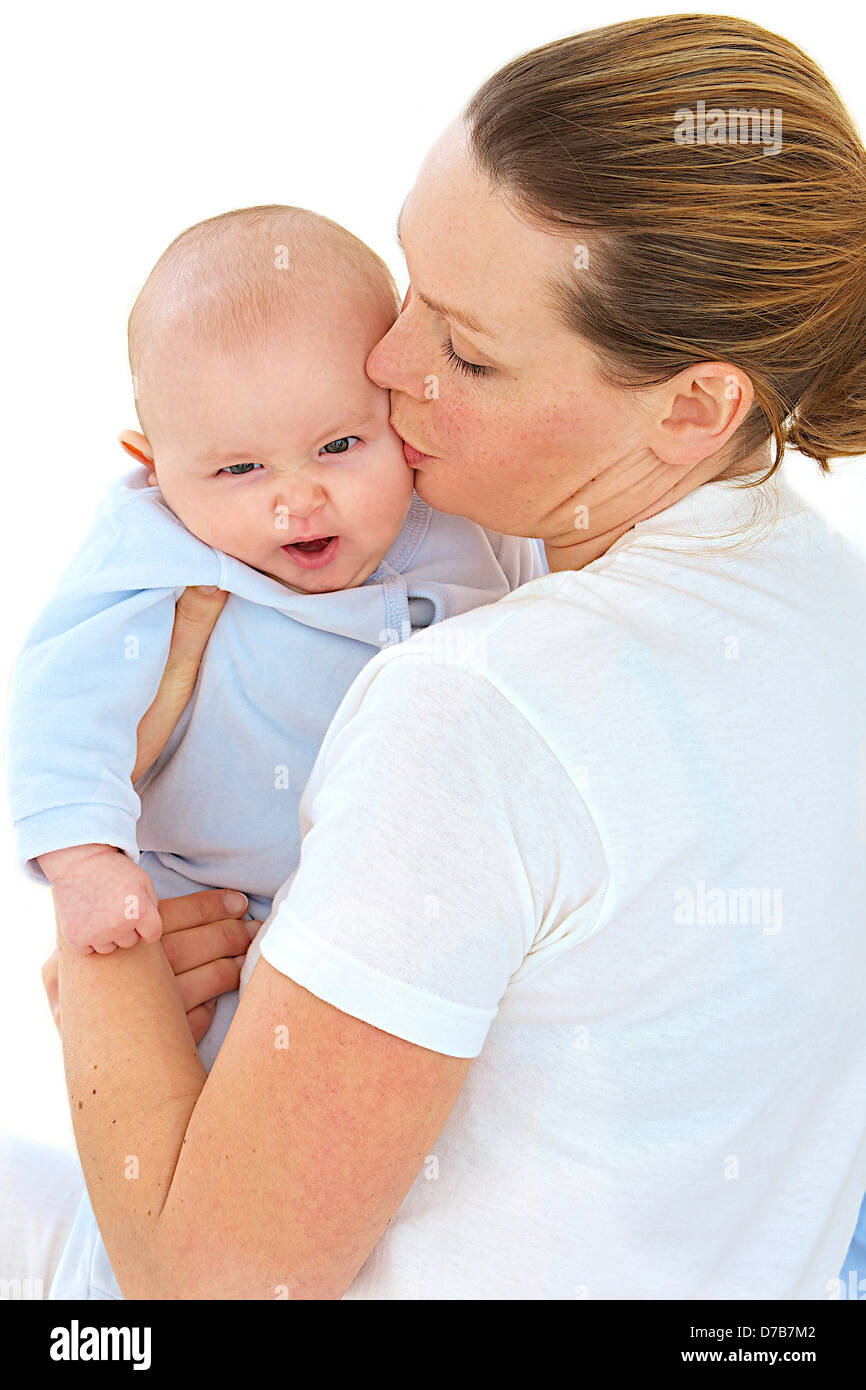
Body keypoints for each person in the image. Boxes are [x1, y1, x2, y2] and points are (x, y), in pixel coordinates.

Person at [4, 13, 866, 1299]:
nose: (383, 366)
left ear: (693, 406)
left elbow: (205, 1292)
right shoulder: (818, 592)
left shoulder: (477, 708)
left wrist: (103, 968)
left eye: (465, 348)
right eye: (407, 284)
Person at [7, 203, 542, 966]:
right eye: (239, 469)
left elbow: (540, 623)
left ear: (401, 416)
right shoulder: (158, 547)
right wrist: (85, 860)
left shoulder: (460, 516)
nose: (297, 501)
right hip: (213, 905)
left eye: (339, 445)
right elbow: (63, 702)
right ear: (156, 468)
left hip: (409, 910)